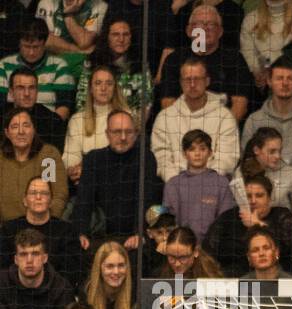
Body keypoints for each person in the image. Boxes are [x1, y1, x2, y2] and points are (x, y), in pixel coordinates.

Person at [73, 109, 161, 253]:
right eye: (117, 132)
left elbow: (146, 199)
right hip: (100, 236)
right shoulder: (93, 159)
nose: (123, 137)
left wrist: (140, 234)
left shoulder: (145, 157)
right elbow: (83, 201)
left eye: (129, 132)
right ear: (107, 133)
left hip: (134, 236)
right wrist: (81, 233)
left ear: (136, 134)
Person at [158, 4, 255, 124]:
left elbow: (240, 105)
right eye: (199, 24)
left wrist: (219, 131)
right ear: (188, 31)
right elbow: (167, 103)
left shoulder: (235, 59)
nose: (205, 29)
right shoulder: (174, 60)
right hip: (182, 129)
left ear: (220, 31)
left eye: (211, 24)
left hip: (222, 129)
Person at [150, 58, 241, 183]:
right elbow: (161, 158)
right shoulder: (165, 117)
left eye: (197, 79)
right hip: (176, 187)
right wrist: (179, 183)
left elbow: (227, 158)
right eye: (187, 80)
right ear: (181, 83)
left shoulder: (225, 116)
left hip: (213, 186)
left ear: (207, 81)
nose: (192, 85)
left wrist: (202, 183)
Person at [204, 173, 292, 277]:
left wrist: (258, 224)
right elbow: (207, 249)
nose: (253, 201)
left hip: (277, 278)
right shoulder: (228, 217)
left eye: (259, 195)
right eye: (248, 196)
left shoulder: (282, 215)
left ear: (269, 198)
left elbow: (289, 247)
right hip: (233, 279)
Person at [0, 229, 75, 309]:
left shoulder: (61, 288)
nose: (29, 260)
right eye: (23, 254)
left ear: (45, 258)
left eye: (35, 254)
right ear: (16, 259)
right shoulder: (2, 283)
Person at [0, 176, 82, 285]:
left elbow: (71, 273)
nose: (38, 197)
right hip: (15, 293)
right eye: (33, 193)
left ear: (51, 200)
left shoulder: (67, 231)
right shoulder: (8, 230)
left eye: (44, 193)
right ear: (25, 201)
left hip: (55, 294)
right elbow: (3, 269)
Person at [163, 130, 236, 246]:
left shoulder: (221, 183)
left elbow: (225, 220)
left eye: (202, 149)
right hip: (180, 247)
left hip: (212, 248)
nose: (197, 153)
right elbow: (169, 221)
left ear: (210, 152)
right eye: (192, 149)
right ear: (184, 153)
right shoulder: (173, 184)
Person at [61, 65, 127, 183]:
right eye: (98, 83)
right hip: (84, 182)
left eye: (109, 83)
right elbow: (70, 156)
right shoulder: (77, 120)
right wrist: (73, 169)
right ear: (91, 89)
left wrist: (87, 169)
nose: (103, 88)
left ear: (115, 88)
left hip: (117, 180)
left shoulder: (126, 118)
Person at [0, 107, 67, 222]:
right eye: (15, 127)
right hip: (5, 231)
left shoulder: (47, 156)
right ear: (7, 133)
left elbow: (58, 194)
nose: (21, 131)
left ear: (34, 129)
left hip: (41, 228)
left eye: (26, 125)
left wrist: (46, 224)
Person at [0, 20, 76, 119]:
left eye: (36, 47)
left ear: (44, 44)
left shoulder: (59, 66)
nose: (31, 52)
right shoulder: (4, 65)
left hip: (47, 125)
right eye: (27, 46)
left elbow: (64, 107)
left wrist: (52, 128)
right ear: (19, 44)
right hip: (12, 125)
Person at [231, 127, 292, 218]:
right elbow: (239, 207)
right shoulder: (241, 173)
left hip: (283, 226)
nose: (278, 156)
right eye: (272, 151)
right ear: (256, 150)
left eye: (280, 151)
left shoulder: (288, 172)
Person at [83, 240, 133, 309]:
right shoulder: (86, 293)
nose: (116, 272)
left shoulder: (135, 294)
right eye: (110, 266)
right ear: (99, 268)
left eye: (121, 265)